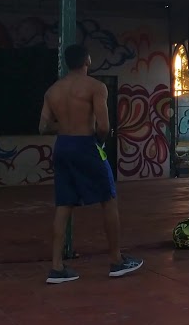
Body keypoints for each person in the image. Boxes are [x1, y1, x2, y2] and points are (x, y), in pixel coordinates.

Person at [39, 44, 142, 284]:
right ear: (87, 59)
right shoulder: (96, 87)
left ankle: (56, 267)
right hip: (86, 145)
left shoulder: (52, 91)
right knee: (108, 199)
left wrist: (65, 127)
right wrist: (98, 140)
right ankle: (117, 260)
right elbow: (104, 126)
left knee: (64, 204)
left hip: (62, 146)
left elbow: (43, 127)